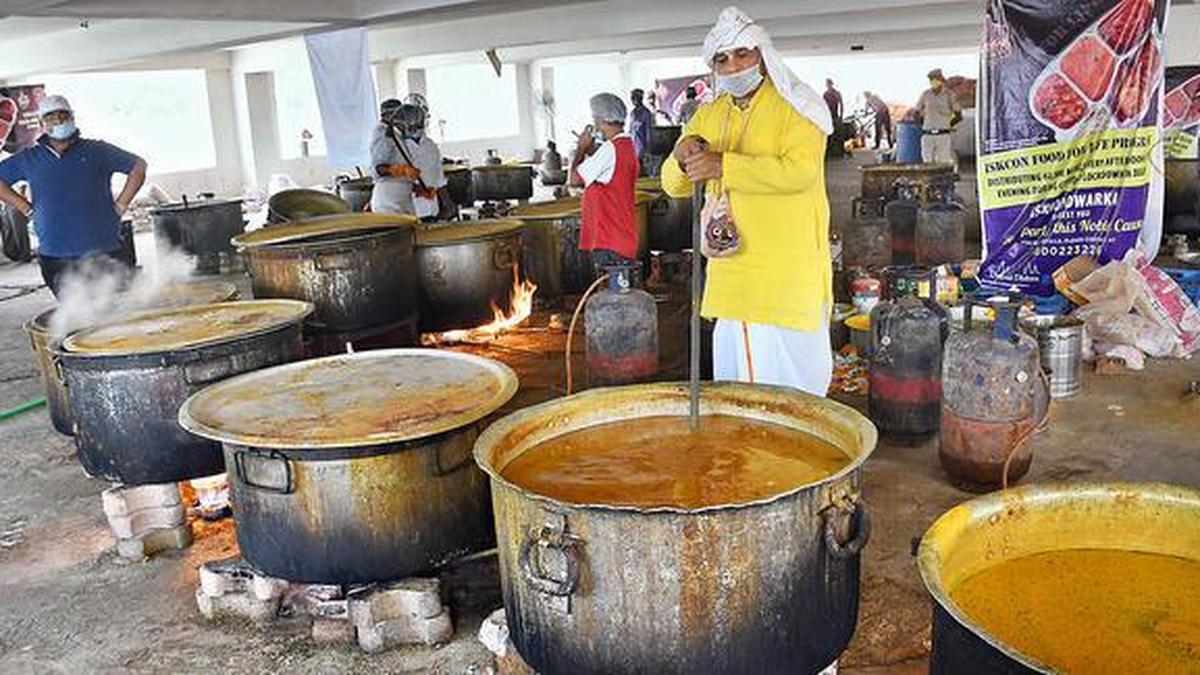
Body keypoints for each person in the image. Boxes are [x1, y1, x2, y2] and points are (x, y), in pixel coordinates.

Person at [661, 6, 836, 397]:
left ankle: (797, 454)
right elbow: (673, 185)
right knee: (742, 387)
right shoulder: (709, 114)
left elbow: (800, 172)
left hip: (786, 269)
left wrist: (723, 164)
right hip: (734, 274)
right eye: (722, 59)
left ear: (762, 53)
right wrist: (681, 151)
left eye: (742, 53)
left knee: (797, 382)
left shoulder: (798, 106)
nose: (733, 65)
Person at [0, 95, 146, 297]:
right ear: (42, 124)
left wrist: (121, 205)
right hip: (56, 257)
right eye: (52, 118)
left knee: (115, 312)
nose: (59, 121)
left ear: (73, 118)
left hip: (105, 251)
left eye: (63, 116)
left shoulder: (97, 150)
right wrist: (26, 208)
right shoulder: (30, 158)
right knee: (75, 315)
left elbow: (138, 166)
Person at [571, 93, 640, 274]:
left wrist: (581, 148)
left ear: (600, 120)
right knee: (619, 298)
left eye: (595, 118)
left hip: (609, 240)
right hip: (620, 237)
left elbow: (574, 179)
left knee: (612, 299)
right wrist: (591, 150)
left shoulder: (611, 149)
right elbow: (606, 168)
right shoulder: (626, 145)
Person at [369, 99, 447, 220]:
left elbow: (401, 181)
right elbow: (377, 169)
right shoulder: (385, 136)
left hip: (403, 199)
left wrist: (420, 190)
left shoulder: (399, 138)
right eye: (413, 126)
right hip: (388, 201)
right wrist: (401, 170)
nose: (414, 130)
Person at [915, 68, 962, 166]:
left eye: (936, 79)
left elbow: (959, 116)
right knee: (927, 163)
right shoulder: (926, 94)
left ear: (941, 80)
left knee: (943, 163)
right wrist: (924, 124)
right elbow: (916, 113)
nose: (933, 82)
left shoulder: (949, 95)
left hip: (943, 135)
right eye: (931, 80)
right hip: (927, 135)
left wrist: (947, 125)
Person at [627, 88, 653, 158]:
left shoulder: (646, 113)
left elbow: (649, 131)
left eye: (634, 97)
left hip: (642, 146)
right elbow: (631, 129)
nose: (632, 100)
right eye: (632, 98)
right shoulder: (632, 113)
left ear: (640, 98)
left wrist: (648, 148)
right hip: (633, 146)